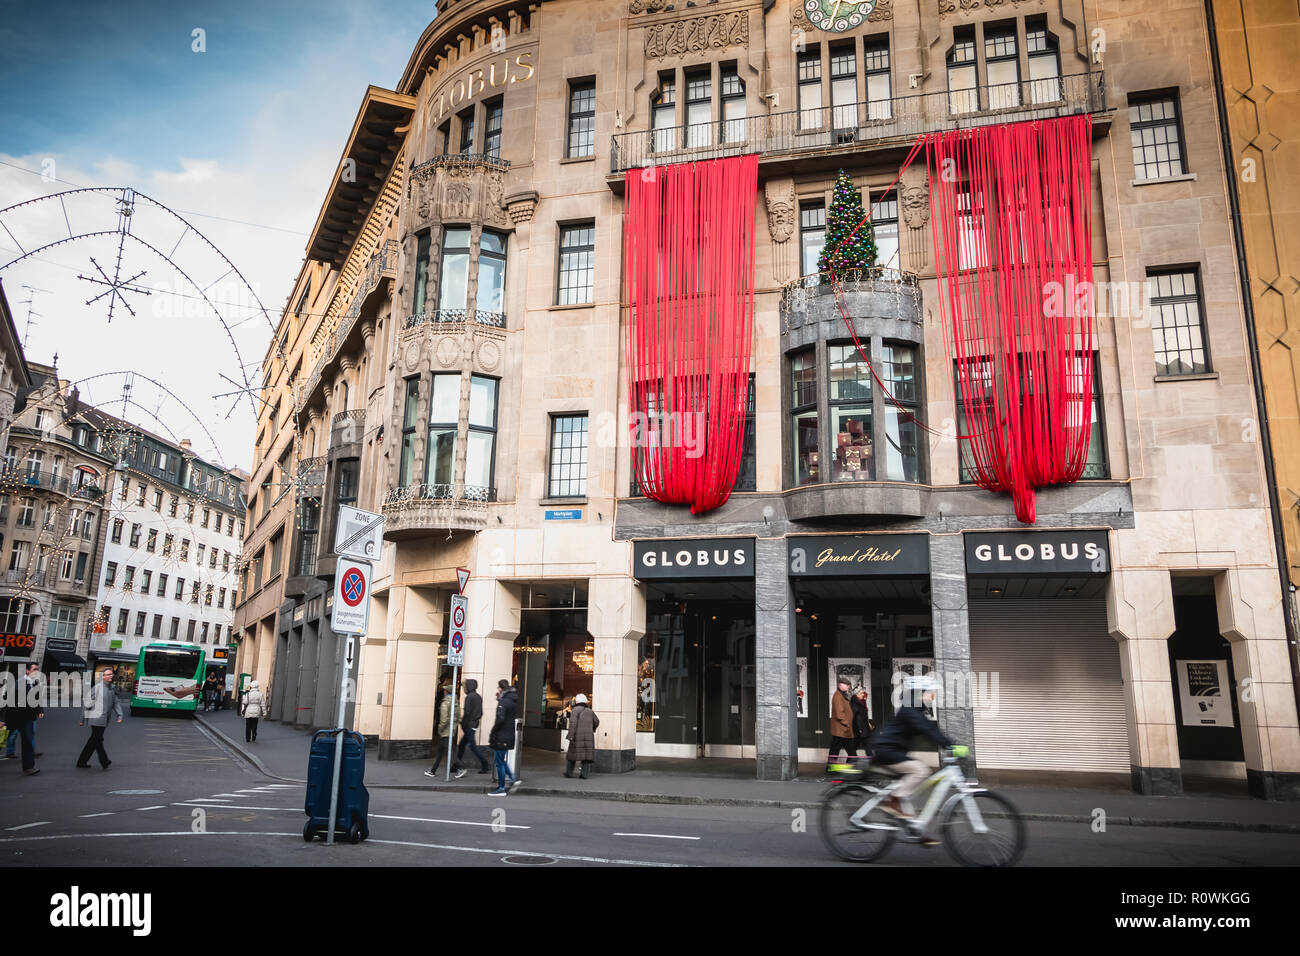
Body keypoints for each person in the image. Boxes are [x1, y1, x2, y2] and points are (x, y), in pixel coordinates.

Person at [871, 675, 956, 818]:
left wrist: (945, 742)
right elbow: (927, 729)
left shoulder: (915, 709)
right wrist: (949, 745)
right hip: (887, 751)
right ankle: (892, 801)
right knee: (920, 770)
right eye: (930, 693)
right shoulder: (910, 710)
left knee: (910, 784)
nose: (933, 697)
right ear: (919, 693)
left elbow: (929, 729)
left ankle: (915, 830)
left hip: (893, 750)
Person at [77, 667, 124, 770]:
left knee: (94, 740)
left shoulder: (112, 688)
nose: (110, 676)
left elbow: (115, 703)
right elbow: (87, 704)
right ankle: (104, 761)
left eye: (111, 674)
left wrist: (120, 715)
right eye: (107, 674)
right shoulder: (97, 688)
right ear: (102, 677)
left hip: (104, 719)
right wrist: (82, 719)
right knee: (97, 739)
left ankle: (81, 762)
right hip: (96, 718)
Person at [4, 662, 43, 775]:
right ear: (27, 671)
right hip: (14, 717)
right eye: (35, 669)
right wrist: (2, 719)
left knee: (28, 742)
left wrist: (40, 710)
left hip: (28, 718)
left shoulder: (36, 683)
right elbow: (6, 700)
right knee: (4, 739)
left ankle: (28, 767)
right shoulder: (17, 683)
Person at [426, 685, 467, 779]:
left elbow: (444, 719)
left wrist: (440, 729)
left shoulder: (445, 703)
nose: (443, 691)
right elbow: (457, 717)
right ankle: (433, 770)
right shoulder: (455, 702)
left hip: (445, 730)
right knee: (440, 751)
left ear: (446, 692)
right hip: (451, 729)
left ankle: (462, 767)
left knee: (449, 752)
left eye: (444, 690)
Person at [487, 679, 521, 795]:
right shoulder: (512, 700)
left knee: (499, 762)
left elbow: (500, 719)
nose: (497, 690)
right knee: (501, 760)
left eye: (498, 688)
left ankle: (501, 788)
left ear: (501, 688)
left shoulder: (504, 702)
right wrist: (500, 699)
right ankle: (513, 779)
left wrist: (493, 732)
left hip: (501, 735)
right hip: (509, 734)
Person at [455, 678, 491, 774]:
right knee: (462, 745)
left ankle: (485, 764)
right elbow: (480, 712)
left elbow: (467, 712)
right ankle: (456, 765)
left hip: (469, 725)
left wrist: (463, 723)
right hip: (474, 724)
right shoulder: (478, 697)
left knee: (472, 746)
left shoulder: (469, 697)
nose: (463, 688)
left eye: (464, 686)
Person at [563, 693, 599, 780]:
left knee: (572, 755)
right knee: (586, 756)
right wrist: (592, 729)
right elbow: (597, 721)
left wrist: (570, 735)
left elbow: (573, 724)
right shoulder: (590, 711)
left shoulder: (575, 710)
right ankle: (584, 775)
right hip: (588, 737)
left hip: (577, 736)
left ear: (577, 701)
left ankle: (569, 773)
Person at [827, 678, 857, 763]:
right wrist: (847, 724)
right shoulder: (838, 696)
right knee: (835, 751)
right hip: (841, 730)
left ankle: (851, 767)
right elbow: (839, 714)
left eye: (849, 685)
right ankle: (831, 770)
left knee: (850, 751)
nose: (848, 686)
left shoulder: (842, 695)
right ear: (840, 685)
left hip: (843, 730)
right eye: (847, 685)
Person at [850, 689, 874, 756]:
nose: (863, 695)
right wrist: (859, 729)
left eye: (863, 693)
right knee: (853, 749)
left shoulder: (862, 702)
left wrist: (868, 723)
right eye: (861, 693)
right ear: (856, 694)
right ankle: (850, 762)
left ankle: (871, 763)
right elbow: (854, 718)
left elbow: (863, 716)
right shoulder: (854, 704)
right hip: (859, 730)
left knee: (868, 748)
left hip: (864, 729)